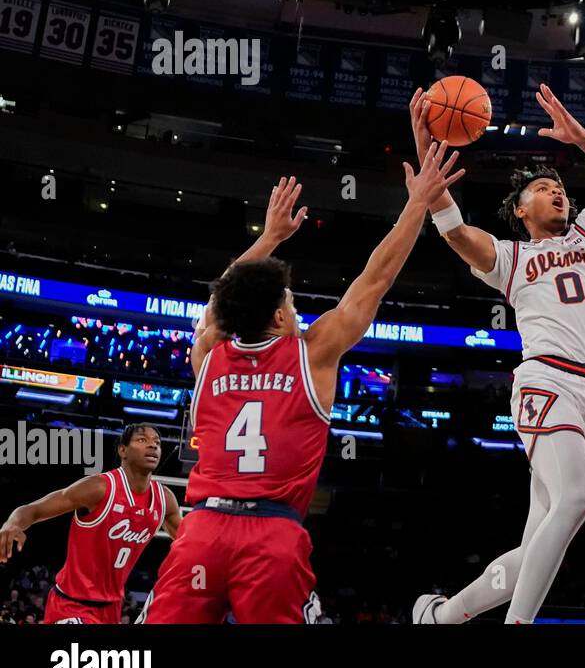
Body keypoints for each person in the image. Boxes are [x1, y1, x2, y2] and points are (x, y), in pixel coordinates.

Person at [143, 151, 462, 623]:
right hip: (271, 537)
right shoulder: (312, 354)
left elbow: (220, 298)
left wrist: (269, 237)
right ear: (276, 317)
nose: (296, 310)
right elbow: (376, 279)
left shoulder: (208, 355)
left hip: (202, 533)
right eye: (291, 303)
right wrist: (417, 203)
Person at [410, 82, 585, 624]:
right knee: (574, 503)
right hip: (548, 382)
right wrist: (425, 144)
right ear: (520, 210)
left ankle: (440, 617)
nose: (557, 192)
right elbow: (452, 227)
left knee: (536, 549)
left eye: (560, 186)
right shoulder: (512, 258)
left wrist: (580, 137)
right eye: (543, 188)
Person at [0, 425, 181, 623]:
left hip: (112, 609)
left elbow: (189, 544)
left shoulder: (164, 499)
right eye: (142, 440)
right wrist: (13, 523)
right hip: (71, 605)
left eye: (157, 442)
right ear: (123, 450)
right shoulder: (99, 488)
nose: (152, 446)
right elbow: (33, 509)